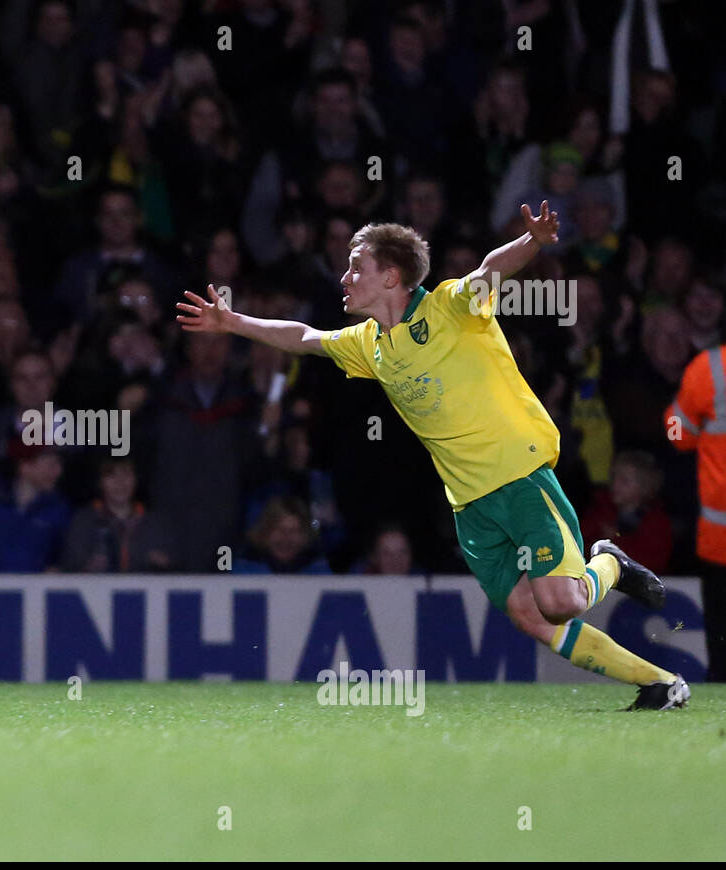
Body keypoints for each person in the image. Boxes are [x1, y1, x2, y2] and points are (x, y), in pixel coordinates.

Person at [176, 202, 690, 710]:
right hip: (468, 503)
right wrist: (233, 321)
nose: (346, 276)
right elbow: (306, 338)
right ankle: (661, 684)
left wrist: (532, 241)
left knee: (559, 603)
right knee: (532, 619)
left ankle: (609, 564)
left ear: (392, 275)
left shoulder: (450, 307)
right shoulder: (369, 343)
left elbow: (491, 270)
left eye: (358, 265)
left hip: (518, 475)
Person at [665, 344, 726, 681]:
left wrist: (678, 428)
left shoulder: (712, 367)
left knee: (722, 654)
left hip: (720, 543)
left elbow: (677, 434)